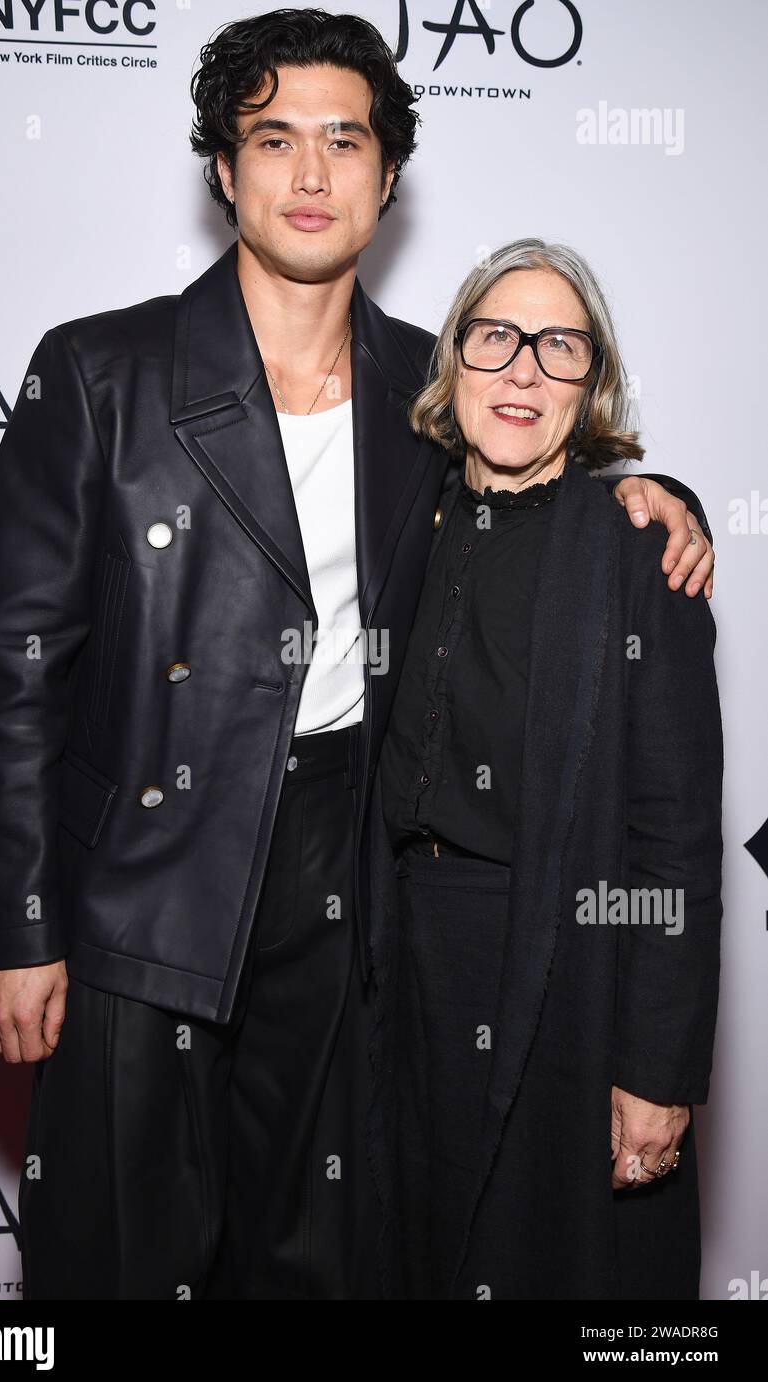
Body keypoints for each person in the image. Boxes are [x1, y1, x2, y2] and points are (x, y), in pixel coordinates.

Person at [0, 10, 713, 1301]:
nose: (311, 176)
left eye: (344, 142)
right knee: (121, 1262)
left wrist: (661, 495)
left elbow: (546, 489)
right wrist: (18, 924)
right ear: (222, 168)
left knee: (315, 1266)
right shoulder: (99, 372)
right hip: (142, 894)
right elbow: (16, 666)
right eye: (274, 139)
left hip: (348, 884)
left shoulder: (431, 387)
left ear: (388, 176)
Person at [370, 238, 723, 1300]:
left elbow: (672, 838)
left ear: (591, 381)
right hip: (396, 973)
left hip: (564, 968)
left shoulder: (635, 559)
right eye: (496, 338)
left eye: (559, 346)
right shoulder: (394, 523)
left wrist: (656, 1073)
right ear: (453, 361)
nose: (523, 369)